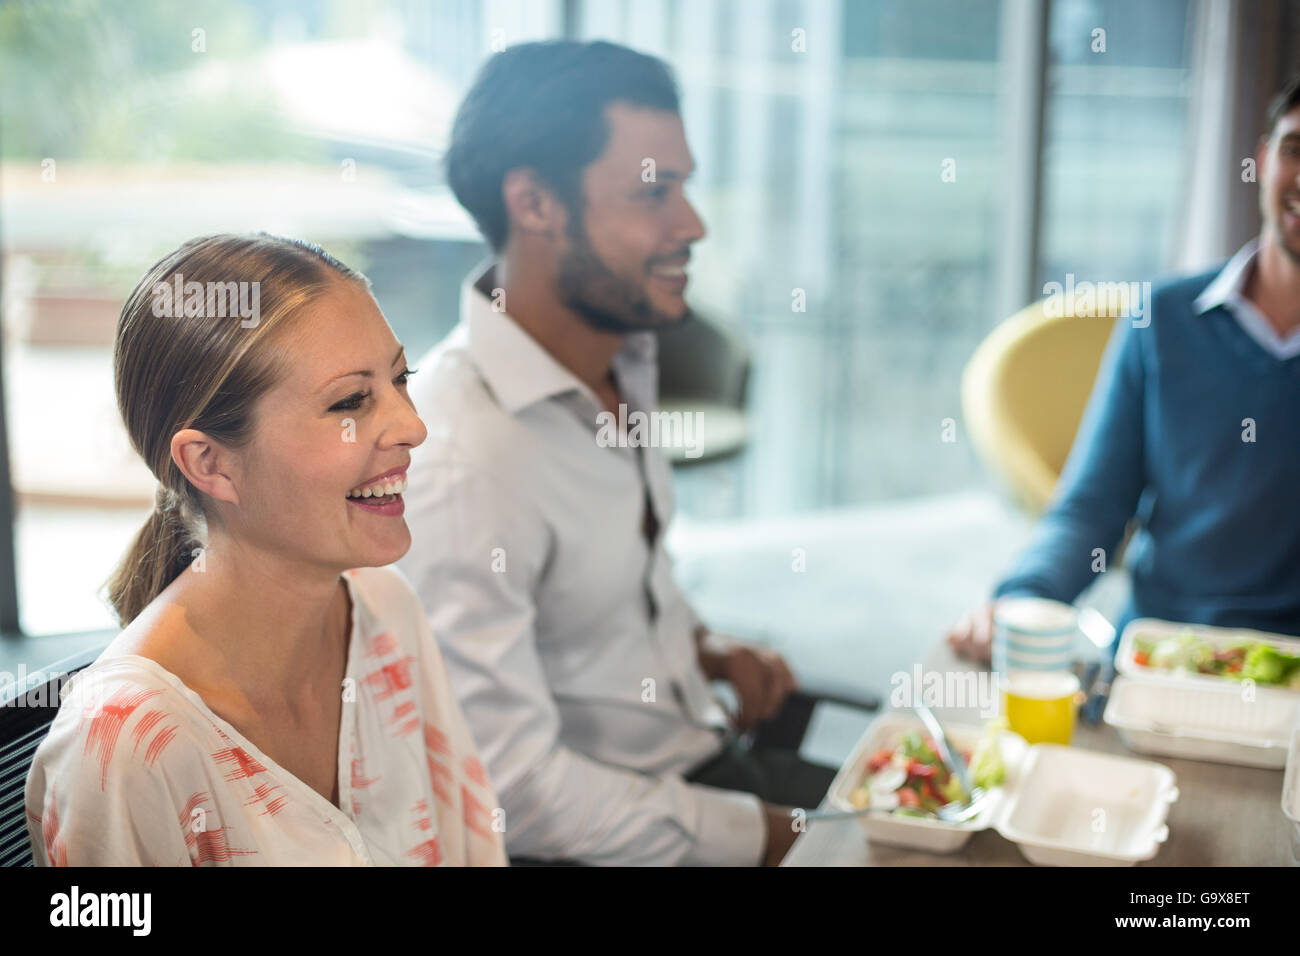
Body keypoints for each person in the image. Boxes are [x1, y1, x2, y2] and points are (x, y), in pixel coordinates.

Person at [397, 40, 832, 867]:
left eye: (686, 185)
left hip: (696, 755)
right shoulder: (464, 464)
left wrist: (700, 648)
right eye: (653, 192)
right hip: (608, 835)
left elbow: (613, 579)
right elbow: (514, 796)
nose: (693, 223)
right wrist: (771, 837)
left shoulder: (617, 356)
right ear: (534, 202)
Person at [26, 233, 507, 866]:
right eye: (350, 402)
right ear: (211, 463)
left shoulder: (383, 607)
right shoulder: (124, 746)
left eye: (400, 379)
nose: (413, 426)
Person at [949, 71, 1300, 664]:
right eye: (1294, 150)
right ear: (1264, 159)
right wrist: (1026, 596)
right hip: (1157, 655)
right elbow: (1092, 506)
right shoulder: (1162, 319)